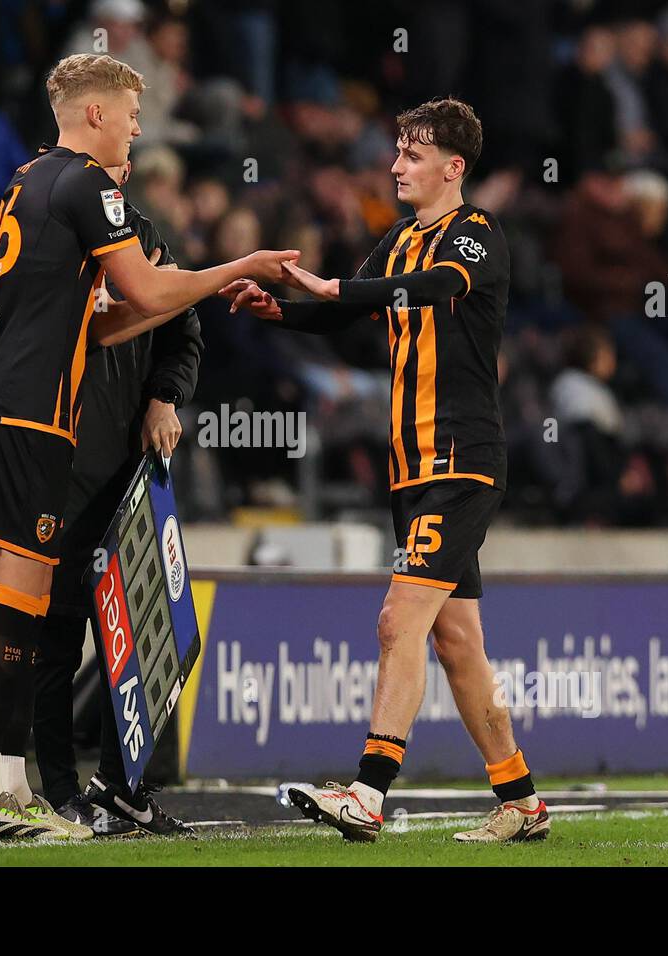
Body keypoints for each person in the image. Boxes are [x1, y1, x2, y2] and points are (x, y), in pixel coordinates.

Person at [0, 52, 297, 839]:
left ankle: (5, 786)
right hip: (30, 416)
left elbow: (107, 321)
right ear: (95, 114)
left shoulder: (30, 180)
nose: (140, 128)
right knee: (14, 603)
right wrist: (236, 266)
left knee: (29, 605)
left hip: (18, 409)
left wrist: (188, 295)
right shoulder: (86, 183)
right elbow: (145, 289)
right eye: (132, 115)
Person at [222, 97, 548, 844]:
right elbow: (347, 310)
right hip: (410, 470)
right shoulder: (399, 239)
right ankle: (522, 802)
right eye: (397, 151)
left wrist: (339, 290)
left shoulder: (475, 236)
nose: (397, 164)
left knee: (398, 622)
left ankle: (368, 794)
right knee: (457, 643)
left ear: (453, 168)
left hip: (459, 461)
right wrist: (279, 309)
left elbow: (432, 291)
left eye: (413, 153)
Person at [30, 159, 201, 837]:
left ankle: (124, 785)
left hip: (130, 472)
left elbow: (184, 332)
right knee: (57, 634)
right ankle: (60, 789)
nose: (119, 175)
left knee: (136, 636)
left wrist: (164, 397)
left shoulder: (146, 235)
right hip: (61, 463)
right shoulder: (50, 241)